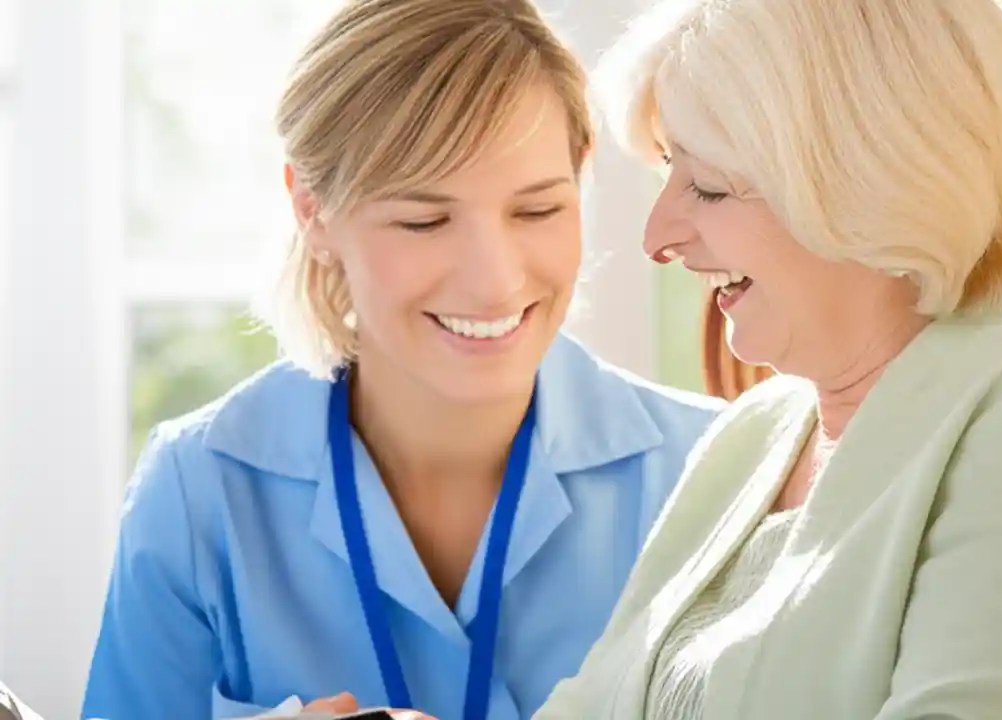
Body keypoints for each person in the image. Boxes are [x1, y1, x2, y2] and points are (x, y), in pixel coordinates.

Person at [533, 0, 1002, 718]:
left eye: (709, 187)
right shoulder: (753, 434)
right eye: (668, 170)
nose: (657, 238)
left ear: (875, 188)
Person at [81, 1, 723, 719]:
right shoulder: (198, 492)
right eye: (425, 220)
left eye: (536, 210)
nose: (494, 282)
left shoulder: (719, 472)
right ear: (313, 210)